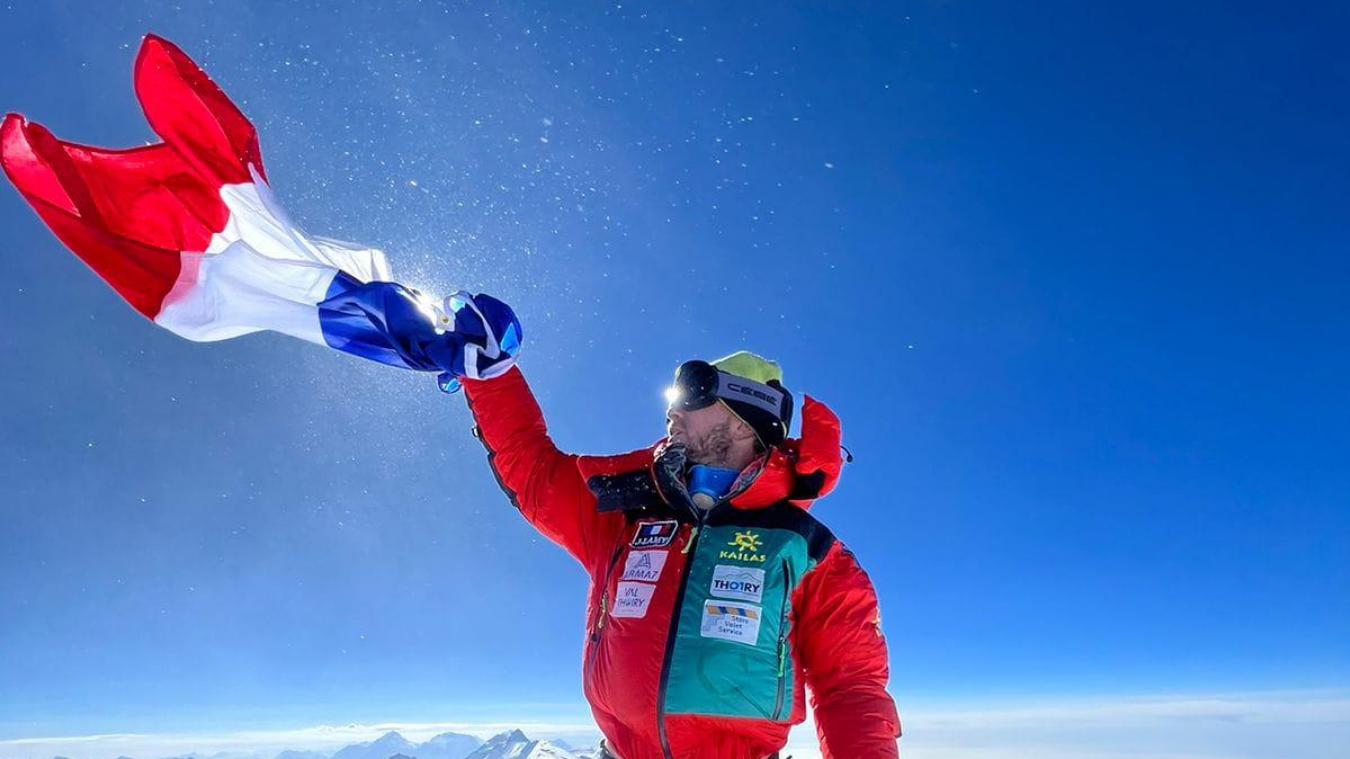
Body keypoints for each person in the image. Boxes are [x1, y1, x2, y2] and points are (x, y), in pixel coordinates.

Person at [443, 298, 901, 759]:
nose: (672, 413)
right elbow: (534, 471)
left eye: (694, 398)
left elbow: (852, 688)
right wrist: (490, 378)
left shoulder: (809, 552)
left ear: (746, 421)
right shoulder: (625, 513)